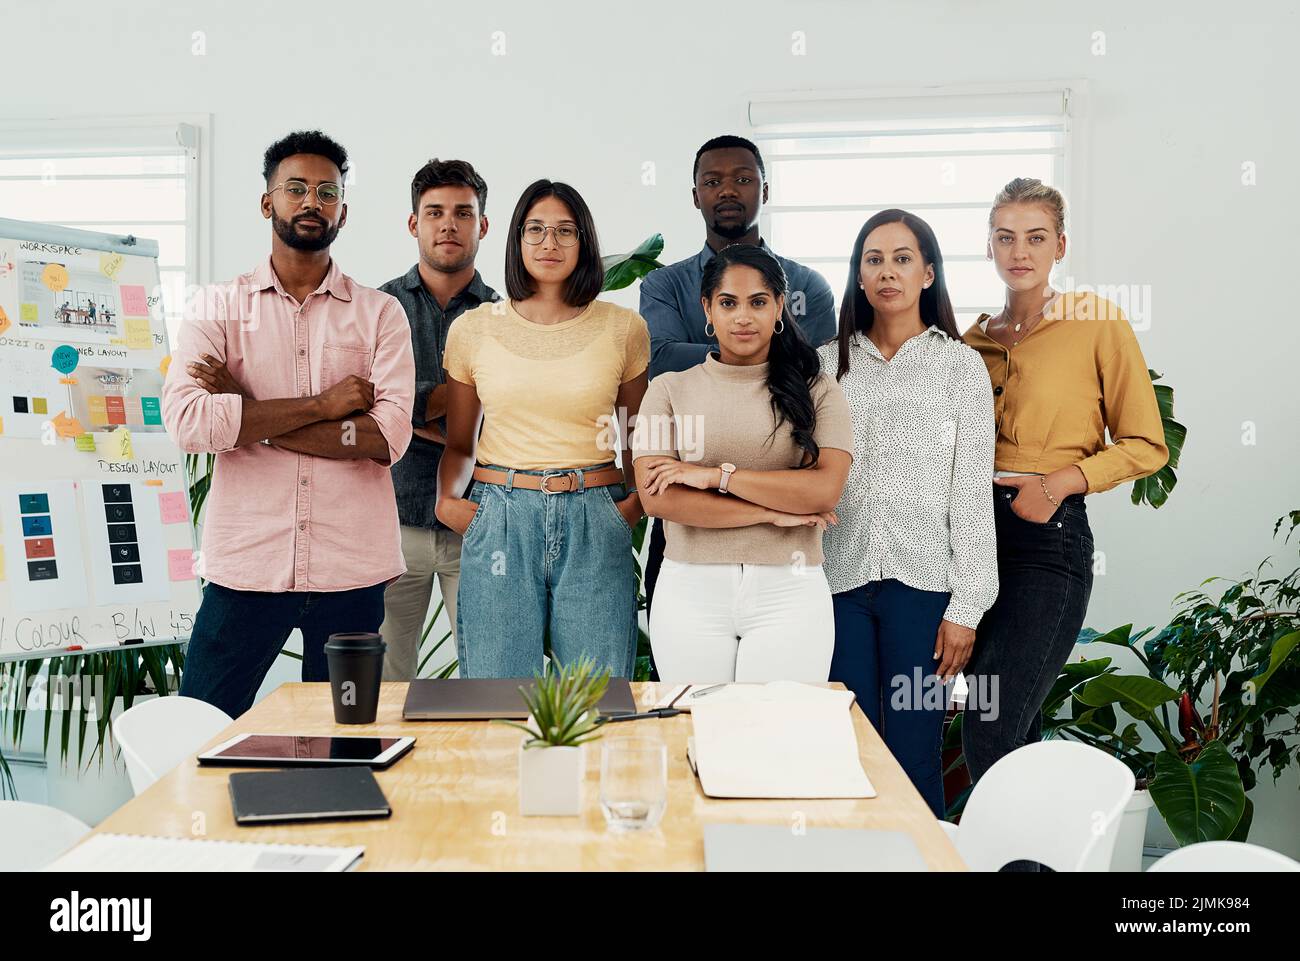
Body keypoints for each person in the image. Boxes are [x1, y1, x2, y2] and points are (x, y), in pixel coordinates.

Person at [162, 130, 415, 718]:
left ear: (343, 212)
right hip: (247, 569)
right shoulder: (217, 308)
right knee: (200, 730)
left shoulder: (380, 314)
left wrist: (248, 412)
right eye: (295, 188)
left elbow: (385, 438)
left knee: (346, 742)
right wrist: (324, 407)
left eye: (327, 192)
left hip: (352, 574)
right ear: (266, 201)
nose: (311, 202)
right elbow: (189, 422)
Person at [961, 178, 1168, 783]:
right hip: (970, 540)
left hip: (1045, 538)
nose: (1019, 251)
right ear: (990, 247)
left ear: (1061, 246)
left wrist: (1057, 485)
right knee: (1006, 725)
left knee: (991, 720)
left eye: (1035, 237)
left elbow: (1146, 443)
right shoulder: (970, 342)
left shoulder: (1096, 324)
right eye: (1005, 237)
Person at [818, 209, 997, 817]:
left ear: (927, 273)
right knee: (851, 748)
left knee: (916, 750)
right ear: (858, 276)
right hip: (837, 586)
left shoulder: (960, 367)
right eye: (873, 259)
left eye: (901, 258)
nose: (887, 271)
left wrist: (967, 609)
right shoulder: (825, 365)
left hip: (925, 597)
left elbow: (972, 495)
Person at [436, 179, 647, 678]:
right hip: (501, 515)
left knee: (596, 699)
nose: (549, 243)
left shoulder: (623, 328)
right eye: (535, 230)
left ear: (584, 242)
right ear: (516, 240)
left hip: (594, 515)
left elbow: (636, 432)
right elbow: (460, 440)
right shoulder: (474, 329)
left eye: (564, 231)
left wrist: (633, 505)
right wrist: (448, 501)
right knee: (495, 695)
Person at [638, 134, 839, 639]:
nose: (728, 190)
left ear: (765, 191)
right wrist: (742, 357)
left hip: (787, 562)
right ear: (695, 196)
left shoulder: (807, 286)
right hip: (691, 555)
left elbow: (808, 366)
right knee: (692, 705)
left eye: (743, 179)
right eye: (713, 181)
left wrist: (708, 473)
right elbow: (659, 358)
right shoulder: (663, 285)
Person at [632, 243, 852, 682]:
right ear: (707, 311)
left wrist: (715, 477)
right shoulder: (666, 389)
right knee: (700, 732)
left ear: (779, 310)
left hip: (790, 589)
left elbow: (824, 490)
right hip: (689, 587)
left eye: (758, 302)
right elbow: (658, 499)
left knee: (779, 735)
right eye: (728, 303)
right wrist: (772, 512)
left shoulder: (818, 389)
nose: (743, 317)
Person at [377, 159, 499, 681]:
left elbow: (505, 419)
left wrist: (410, 408)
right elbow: (373, 407)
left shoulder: (504, 314)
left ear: (482, 226)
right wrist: (460, 399)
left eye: (462, 213)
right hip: (390, 521)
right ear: (414, 224)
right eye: (434, 213)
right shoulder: (379, 308)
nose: (448, 224)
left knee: (491, 675)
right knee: (383, 680)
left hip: (478, 521)